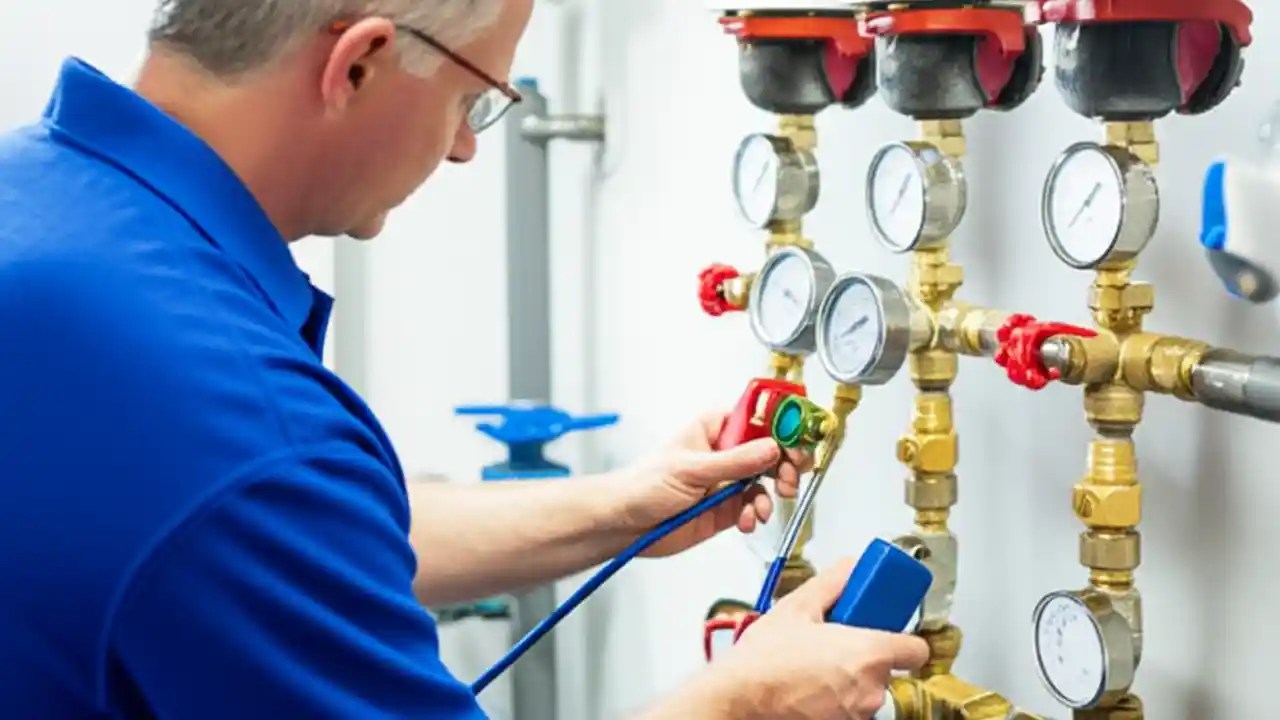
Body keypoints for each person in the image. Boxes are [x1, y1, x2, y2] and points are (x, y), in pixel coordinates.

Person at [0, 1, 929, 718]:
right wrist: (747, 697)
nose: (464, 146)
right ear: (358, 62)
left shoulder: (38, 198)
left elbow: (286, 551)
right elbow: (257, 505)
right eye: (471, 97)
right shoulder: (242, 432)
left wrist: (626, 505)